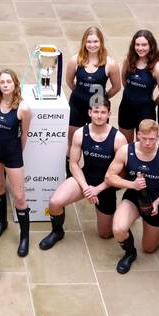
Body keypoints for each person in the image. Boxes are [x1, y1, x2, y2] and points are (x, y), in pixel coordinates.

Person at [40, 96, 125, 250]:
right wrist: (86, 188)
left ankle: (119, 216)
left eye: (103, 112)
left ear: (109, 114)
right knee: (54, 202)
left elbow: (120, 174)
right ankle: (57, 231)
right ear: (89, 112)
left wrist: (97, 189)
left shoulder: (118, 139)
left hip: (106, 185)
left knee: (105, 234)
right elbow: (73, 164)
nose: (99, 116)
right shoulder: (80, 133)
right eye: (96, 111)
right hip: (85, 179)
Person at [105, 119, 159, 273]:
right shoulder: (126, 150)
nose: (147, 143)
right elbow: (109, 177)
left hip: (154, 202)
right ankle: (130, 253)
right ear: (138, 135)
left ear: (157, 137)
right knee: (118, 229)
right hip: (133, 197)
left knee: (149, 248)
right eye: (144, 139)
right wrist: (132, 185)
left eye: (151, 139)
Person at [0, 68, 33, 256]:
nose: (5, 85)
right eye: (2, 82)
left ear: (15, 84)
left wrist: (17, 153)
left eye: (9, 82)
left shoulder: (23, 108)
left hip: (12, 153)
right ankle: (2, 222)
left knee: (19, 197)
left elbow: (25, 135)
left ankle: (24, 237)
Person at [65, 27, 121, 158]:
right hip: (77, 106)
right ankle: (70, 172)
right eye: (89, 42)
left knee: (99, 141)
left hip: (98, 108)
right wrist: (80, 93)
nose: (92, 45)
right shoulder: (75, 60)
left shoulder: (110, 64)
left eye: (95, 41)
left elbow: (116, 87)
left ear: (101, 42)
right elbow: (69, 82)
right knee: (72, 142)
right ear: (84, 42)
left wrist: (103, 97)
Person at [118, 30, 159, 143]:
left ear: (151, 46)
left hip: (145, 111)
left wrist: (151, 103)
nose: (140, 48)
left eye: (144, 45)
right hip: (126, 108)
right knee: (125, 143)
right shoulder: (129, 60)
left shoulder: (158, 69)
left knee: (143, 144)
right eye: (137, 44)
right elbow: (124, 81)